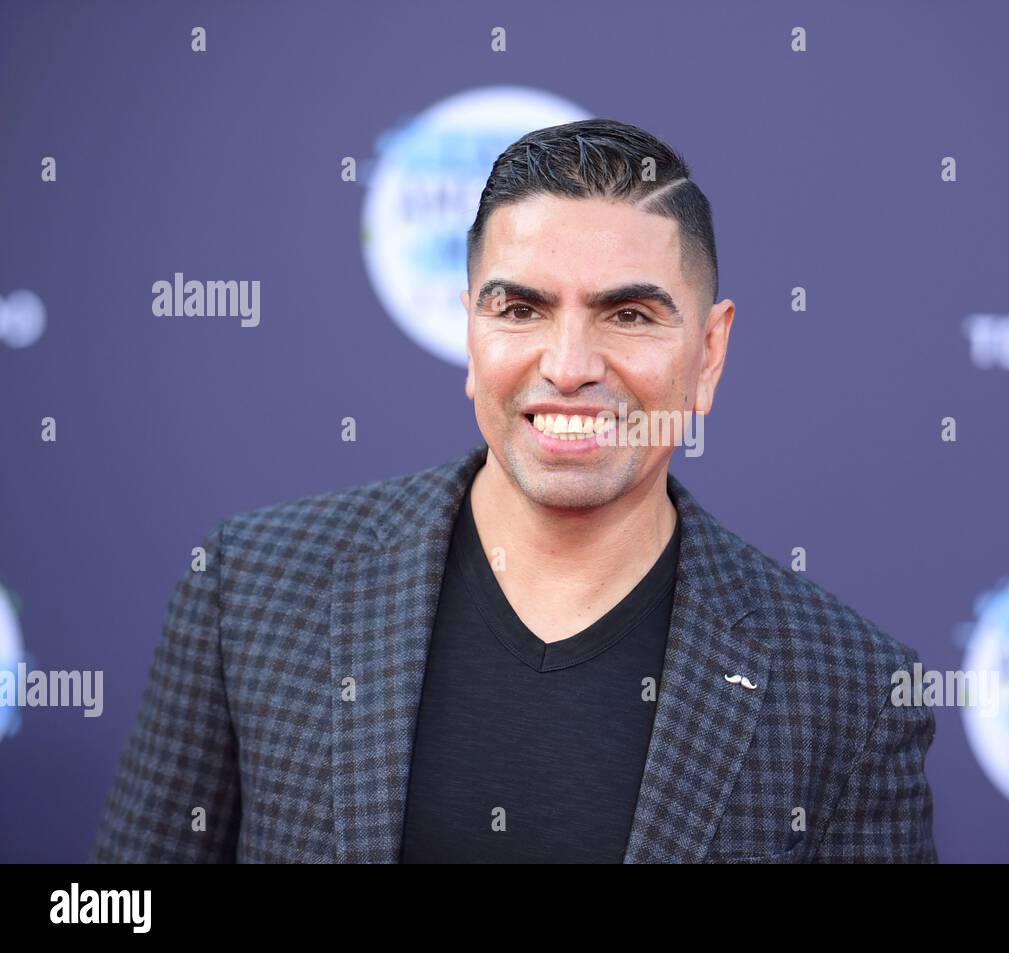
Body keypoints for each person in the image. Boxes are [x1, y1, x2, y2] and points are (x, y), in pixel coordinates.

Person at [91, 118, 937, 863]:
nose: (568, 367)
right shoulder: (252, 588)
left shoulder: (850, 690)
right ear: (471, 331)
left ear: (709, 353)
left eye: (630, 315)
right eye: (522, 309)